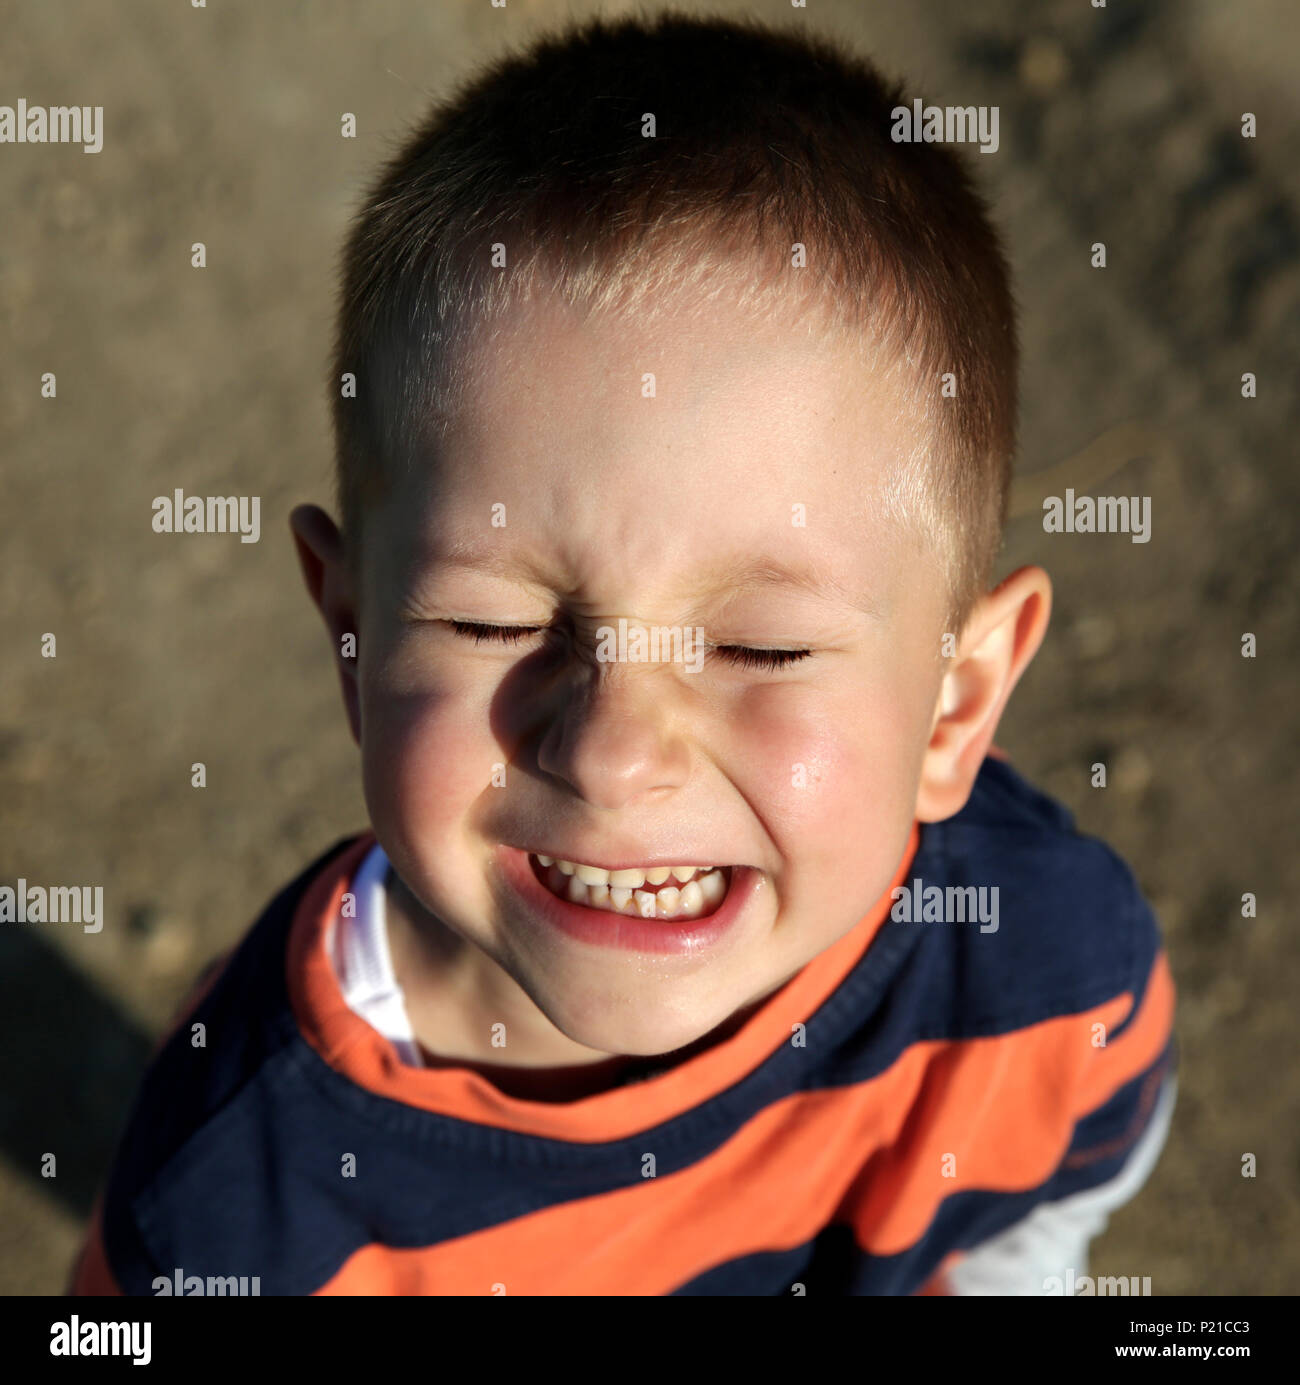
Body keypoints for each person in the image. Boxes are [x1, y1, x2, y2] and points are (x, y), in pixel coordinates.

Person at [69, 11, 1175, 1296]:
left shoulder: (1039, 965)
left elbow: (1068, 1169)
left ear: (954, 704)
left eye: (759, 642)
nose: (610, 750)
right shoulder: (232, 1212)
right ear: (353, 637)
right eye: (493, 621)